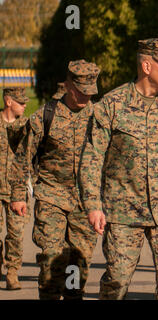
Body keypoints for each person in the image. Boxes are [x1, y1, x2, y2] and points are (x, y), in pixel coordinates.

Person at [79, 38, 158, 300]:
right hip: (123, 212)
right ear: (146, 66)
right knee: (117, 282)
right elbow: (92, 158)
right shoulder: (112, 105)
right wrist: (93, 204)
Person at [10, 60, 101, 299]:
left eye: (91, 92)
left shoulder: (99, 117)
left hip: (85, 201)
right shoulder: (45, 115)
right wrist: (19, 196)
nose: (86, 97)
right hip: (52, 196)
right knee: (51, 259)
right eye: (82, 92)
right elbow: (23, 157)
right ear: (69, 86)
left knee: (78, 263)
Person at [0, 87, 29, 290]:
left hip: (16, 191)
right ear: (8, 102)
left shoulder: (26, 126)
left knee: (16, 233)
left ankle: (12, 271)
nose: (25, 105)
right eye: (20, 102)